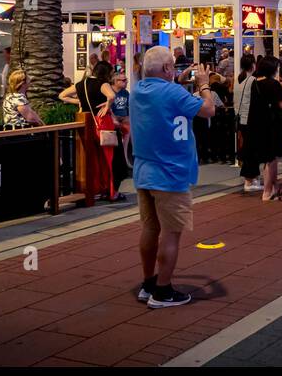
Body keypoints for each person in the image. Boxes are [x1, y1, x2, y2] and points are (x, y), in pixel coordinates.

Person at [131, 46, 216, 308]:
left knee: (149, 228)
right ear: (168, 68)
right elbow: (208, 110)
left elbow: (164, 98)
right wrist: (203, 85)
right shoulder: (174, 93)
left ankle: (148, 283)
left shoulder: (138, 92)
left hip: (144, 172)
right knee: (171, 233)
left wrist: (177, 81)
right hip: (171, 173)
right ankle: (163, 291)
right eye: (173, 67)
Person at [59, 60, 122, 201]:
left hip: (86, 124)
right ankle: (110, 191)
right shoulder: (102, 84)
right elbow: (112, 96)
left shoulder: (81, 84)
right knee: (107, 158)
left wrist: (80, 101)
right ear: (106, 73)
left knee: (91, 159)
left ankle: (95, 189)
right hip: (102, 123)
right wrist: (107, 106)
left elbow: (62, 96)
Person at [249, 57, 282, 202]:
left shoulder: (255, 83)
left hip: (258, 122)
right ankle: (267, 191)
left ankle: (273, 187)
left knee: (268, 157)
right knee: (271, 159)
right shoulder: (273, 84)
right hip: (272, 124)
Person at [235, 54, 262, 192]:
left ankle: (252, 179)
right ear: (253, 64)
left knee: (247, 150)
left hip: (240, 119)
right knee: (251, 151)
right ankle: (249, 181)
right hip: (250, 120)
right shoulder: (253, 81)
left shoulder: (238, 79)